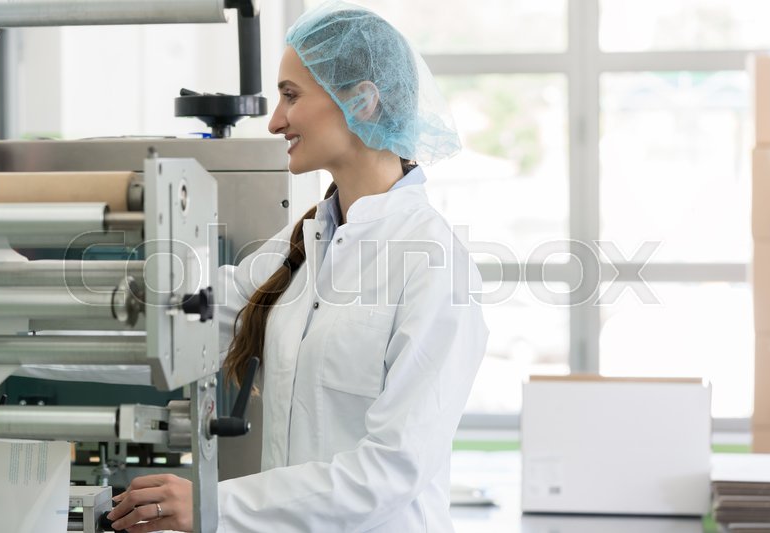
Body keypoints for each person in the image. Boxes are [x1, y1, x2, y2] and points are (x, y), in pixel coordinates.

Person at [107, 1, 488, 531]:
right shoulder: (296, 252)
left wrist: (216, 506)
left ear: (362, 101)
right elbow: (172, 328)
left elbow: (391, 469)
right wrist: (3, 325)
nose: (274, 120)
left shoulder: (433, 265)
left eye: (291, 95)